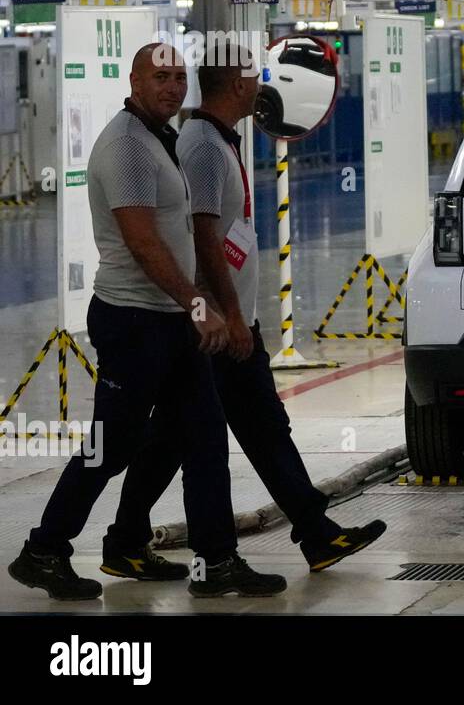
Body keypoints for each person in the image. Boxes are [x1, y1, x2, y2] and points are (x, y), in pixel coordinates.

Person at [8, 43, 285, 600]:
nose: (172, 87)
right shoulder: (129, 146)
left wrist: (203, 307)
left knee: (205, 438)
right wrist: (200, 306)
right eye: (160, 76)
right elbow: (142, 243)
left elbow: (182, 239)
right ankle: (43, 549)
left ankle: (218, 562)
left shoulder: (162, 140)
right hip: (134, 322)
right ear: (133, 79)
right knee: (110, 445)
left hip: (170, 321)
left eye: (180, 77)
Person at [112, 38, 387, 572]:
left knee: (238, 429)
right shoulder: (203, 147)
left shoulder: (217, 139)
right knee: (194, 436)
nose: (263, 86)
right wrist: (230, 316)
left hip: (230, 320)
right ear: (239, 85)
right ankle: (165, 547)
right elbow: (204, 238)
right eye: (256, 78)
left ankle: (313, 531)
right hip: (216, 325)